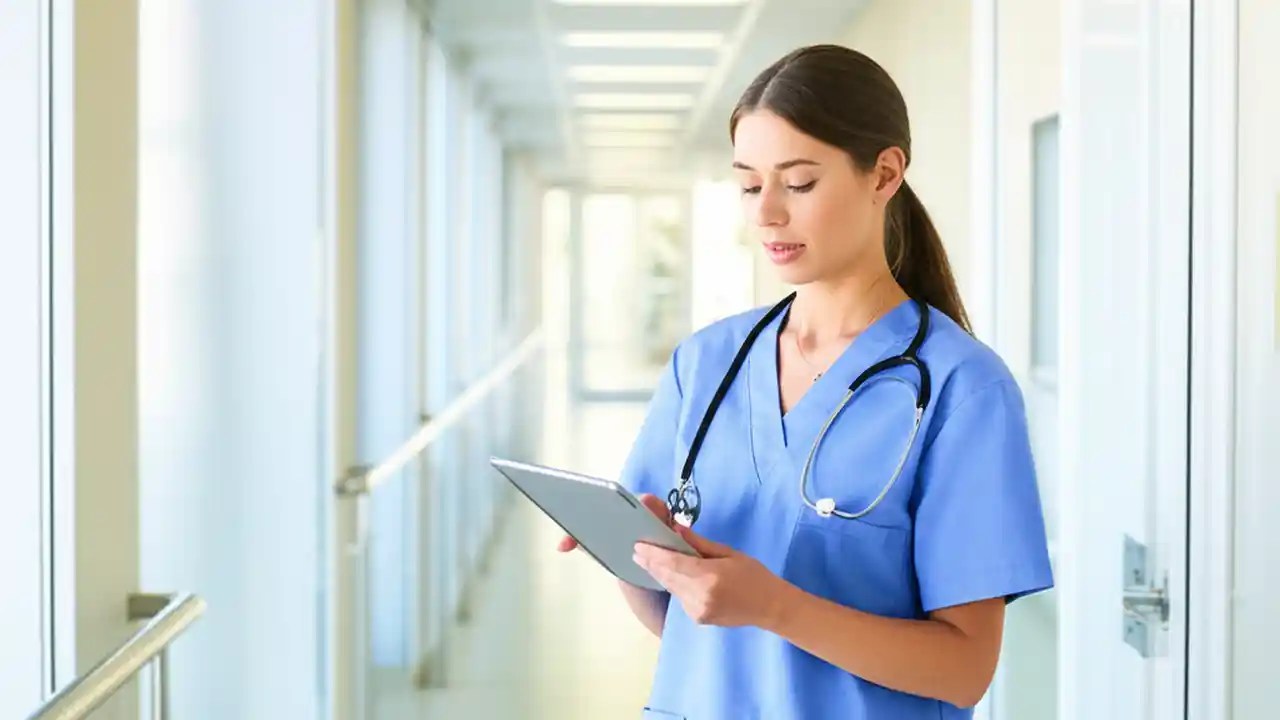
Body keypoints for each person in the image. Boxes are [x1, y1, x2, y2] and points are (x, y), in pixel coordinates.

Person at [556, 44, 1053, 720]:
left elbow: (964, 669)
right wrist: (639, 554)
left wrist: (775, 606)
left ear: (884, 175)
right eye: (750, 184)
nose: (766, 214)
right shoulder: (706, 362)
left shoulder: (960, 388)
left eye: (798, 182)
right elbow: (688, 630)